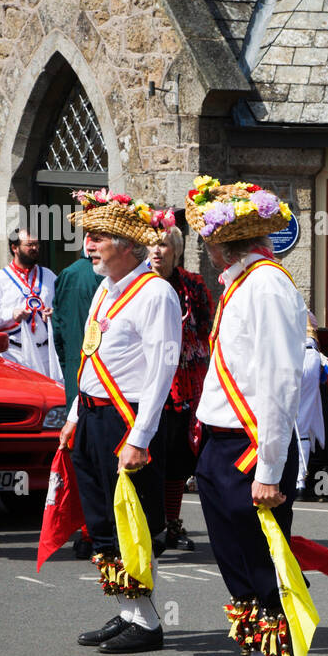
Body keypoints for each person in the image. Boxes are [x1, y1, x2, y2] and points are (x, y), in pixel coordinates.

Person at [186, 178, 310, 656]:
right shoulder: (242, 284)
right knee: (238, 572)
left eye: (207, 240)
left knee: (267, 575)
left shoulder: (266, 287)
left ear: (221, 246)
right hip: (221, 444)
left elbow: (282, 382)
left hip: (251, 448)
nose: (203, 251)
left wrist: (268, 468)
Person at [59, 190, 180, 655]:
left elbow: (162, 369)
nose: (89, 245)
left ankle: (148, 622)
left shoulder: (155, 293)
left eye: (99, 237)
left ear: (129, 245)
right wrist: (74, 414)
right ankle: (128, 608)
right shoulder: (106, 290)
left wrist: (140, 437)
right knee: (103, 521)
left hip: (126, 420)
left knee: (134, 520)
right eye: (87, 237)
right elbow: (91, 356)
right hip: (93, 415)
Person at [148, 225, 213, 550]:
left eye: (162, 245)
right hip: (146, 384)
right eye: (151, 245)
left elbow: (205, 329)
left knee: (177, 459)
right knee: (149, 458)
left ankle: (172, 524)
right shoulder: (138, 285)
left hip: (184, 384)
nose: (156, 251)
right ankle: (149, 526)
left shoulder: (193, 284)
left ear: (175, 249)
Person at [0, 228, 63, 383]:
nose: (34, 248)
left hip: (47, 354)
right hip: (14, 354)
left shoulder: (48, 275)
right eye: (29, 245)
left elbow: (63, 308)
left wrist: (54, 314)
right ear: (15, 248)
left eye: (36, 245)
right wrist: (10, 314)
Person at [54, 232, 102, 407]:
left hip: (76, 362)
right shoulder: (112, 275)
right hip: (104, 371)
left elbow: (57, 329)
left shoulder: (68, 273)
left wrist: (66, 362)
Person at [297, 314, 328, 491]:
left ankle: (294, 477)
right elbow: (315, 328)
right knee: (302, 420)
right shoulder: (306, 310)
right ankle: (300, 479)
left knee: (291, 419)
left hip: (294, 354)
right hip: (310, 353)